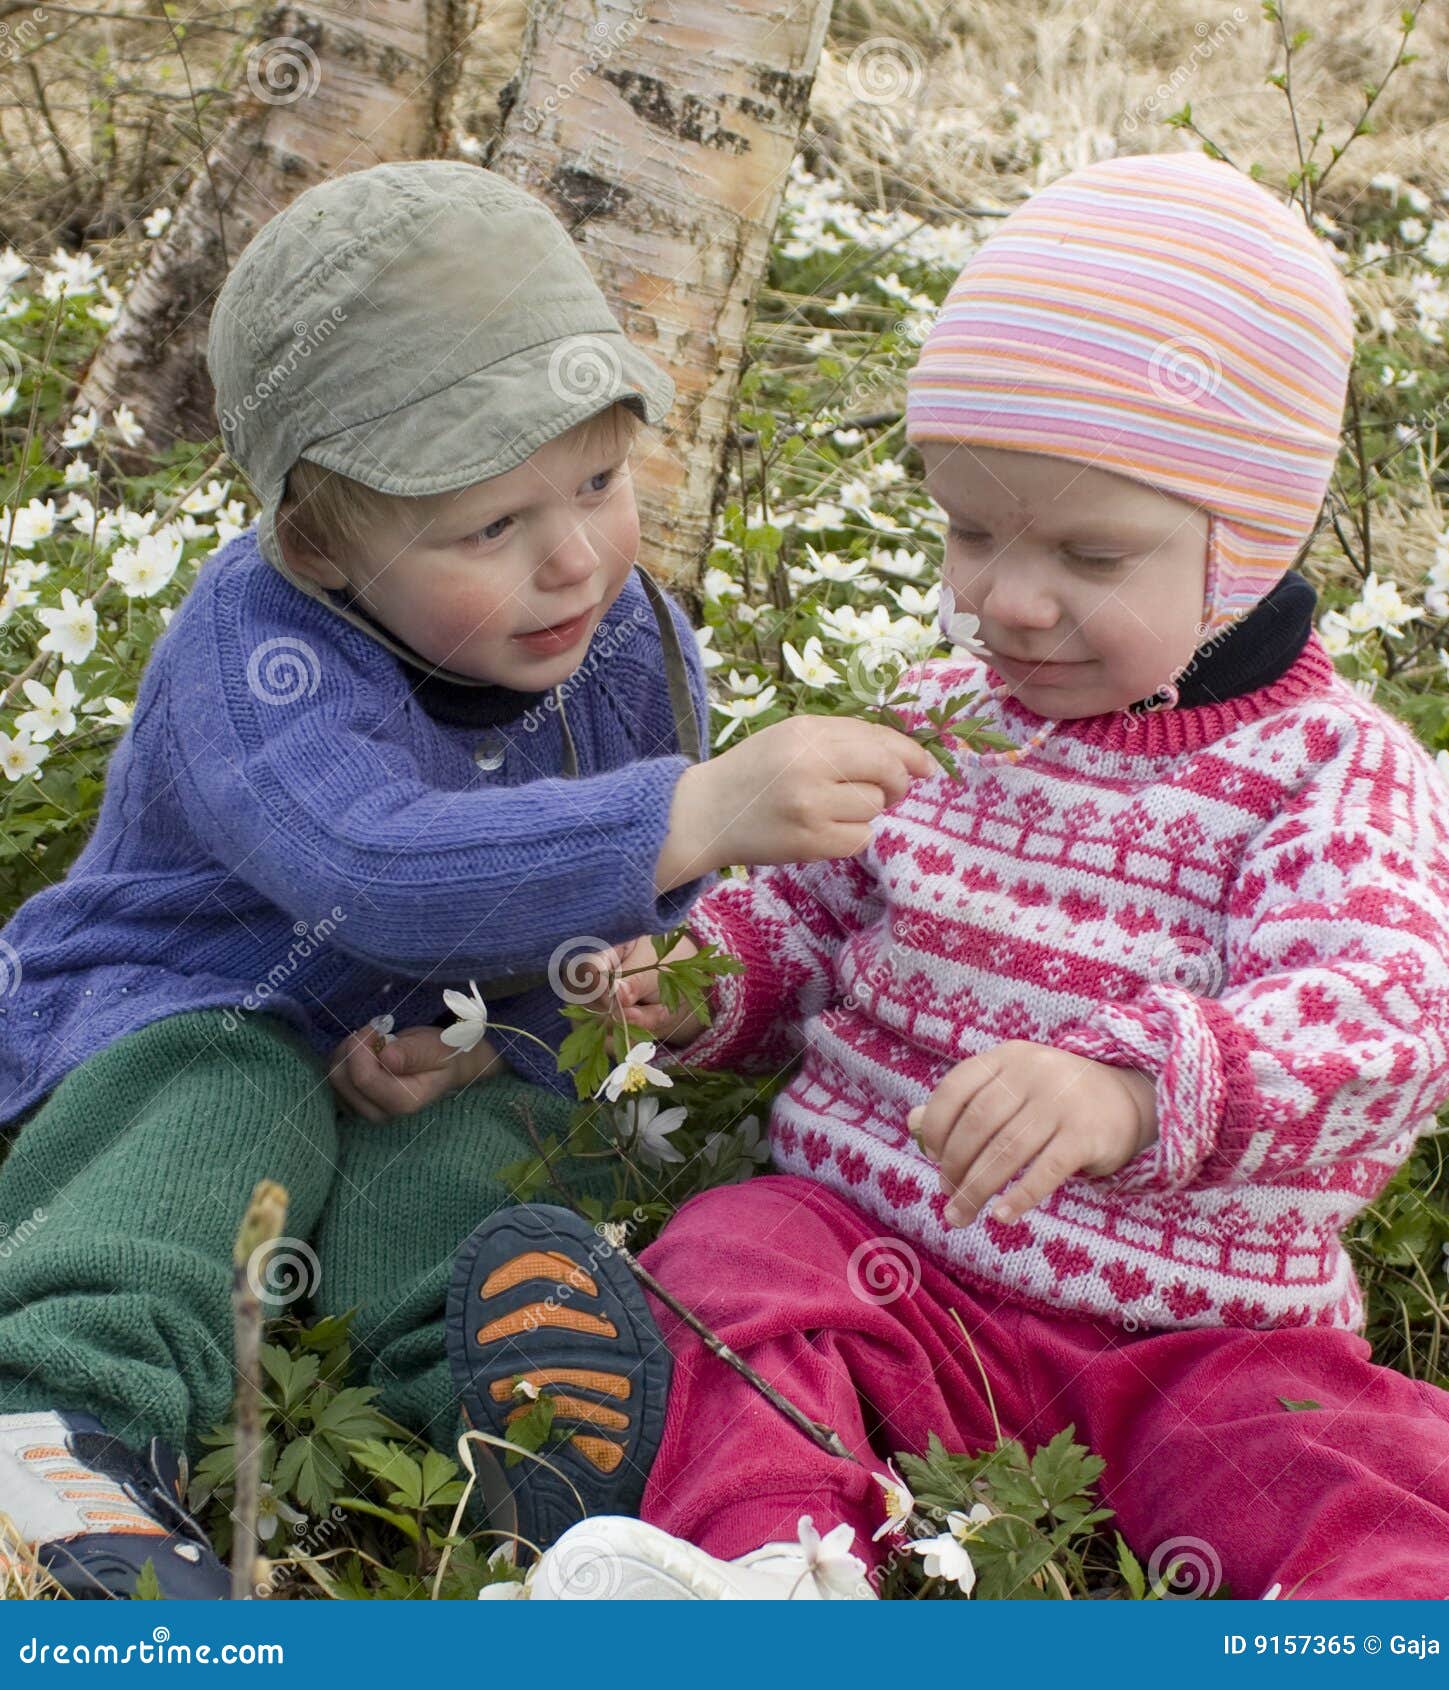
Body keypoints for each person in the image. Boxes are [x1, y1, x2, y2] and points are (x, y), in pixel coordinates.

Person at [456, 152, 1449, 1602]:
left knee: (1318, 1463)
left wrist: (1130, 1090)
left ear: (1244, 548)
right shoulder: (947, 711)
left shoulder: (1330, 772)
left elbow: (1386, 1015)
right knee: (732, 1260)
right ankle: (764, 1569)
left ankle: (1387, 1623)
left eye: (1085, 551)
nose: (1005, 595)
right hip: (881, 1268)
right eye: (969, 531)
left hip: (1193, 1333)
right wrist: (702, 975)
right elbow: (822, 910)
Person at [0, 161, 933, 1599]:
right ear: (320, 545)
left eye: (601, 484)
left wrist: (524, 1027)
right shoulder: (254, 650)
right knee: (222, 1099)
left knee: (492, 1155)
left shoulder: (623, 642)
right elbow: (366, 866)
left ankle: (526, 1452)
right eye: (490, 528)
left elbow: (627, 934)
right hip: (190, 1002)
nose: (574, 560)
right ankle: (57, 1427)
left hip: (437, 1053)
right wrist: (693, 808)